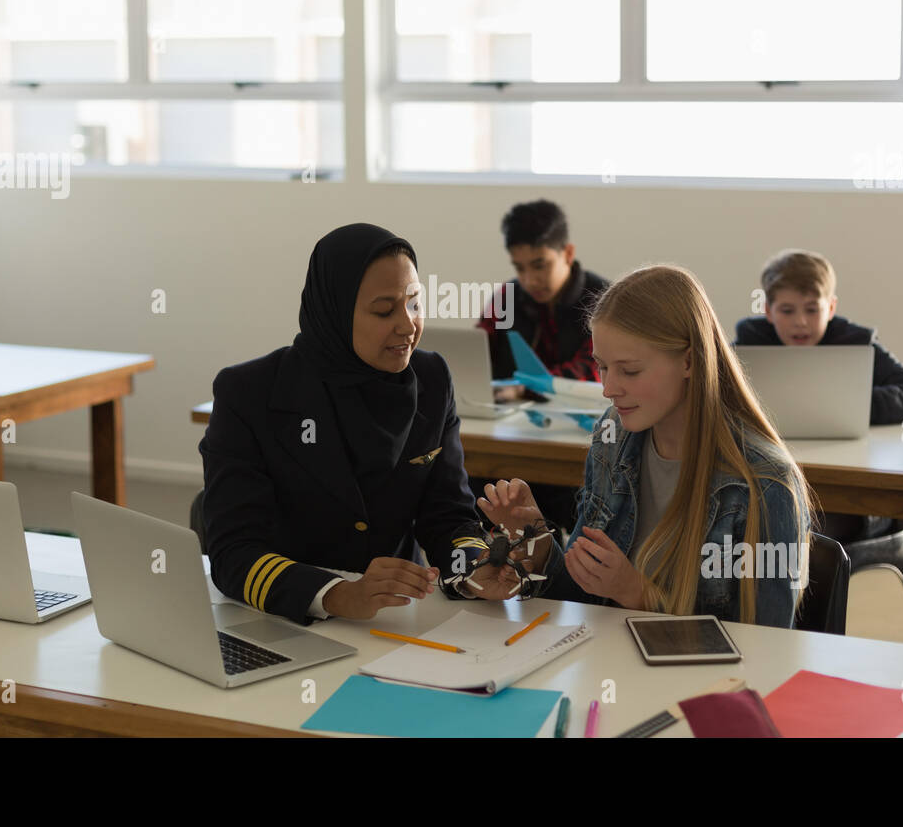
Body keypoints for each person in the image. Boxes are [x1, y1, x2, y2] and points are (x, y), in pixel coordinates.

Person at [199, 223, 519, 625]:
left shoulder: (431, 378)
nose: (408, 325)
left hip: (396, 618)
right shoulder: (249, 392)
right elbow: (233, 553)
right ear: (333, 310)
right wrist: (335, 594)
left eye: (415, 303)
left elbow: (448, 515)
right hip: (281, 619)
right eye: (384, 310)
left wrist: (473, 569)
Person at [477, 265, 814, 628]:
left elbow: (766, 643)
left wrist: (640, 595)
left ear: (689, 360)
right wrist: (540, 545)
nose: (608, 388)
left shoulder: (767, 483)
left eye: (630, 370)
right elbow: (581, 598)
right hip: (610, 669)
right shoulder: (613, 436)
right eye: (602, 367)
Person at [472, 200, 609, 535]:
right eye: (520, 268)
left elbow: (594, 370)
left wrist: (524, 388)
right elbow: (477, 354)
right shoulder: (507, 297)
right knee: (470, 488)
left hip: (577, 440)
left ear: (567, 253)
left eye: (540, 265)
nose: (530, 279)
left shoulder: (603, 299)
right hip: (510, 436)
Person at [733, 249, 903, 425]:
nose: (801, 321)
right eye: (787, 311)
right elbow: (709, 391)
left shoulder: (854, 343)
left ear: (831, 308)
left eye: (812, 310)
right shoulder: (749, 343)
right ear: (768, 311)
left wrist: (852, 407)